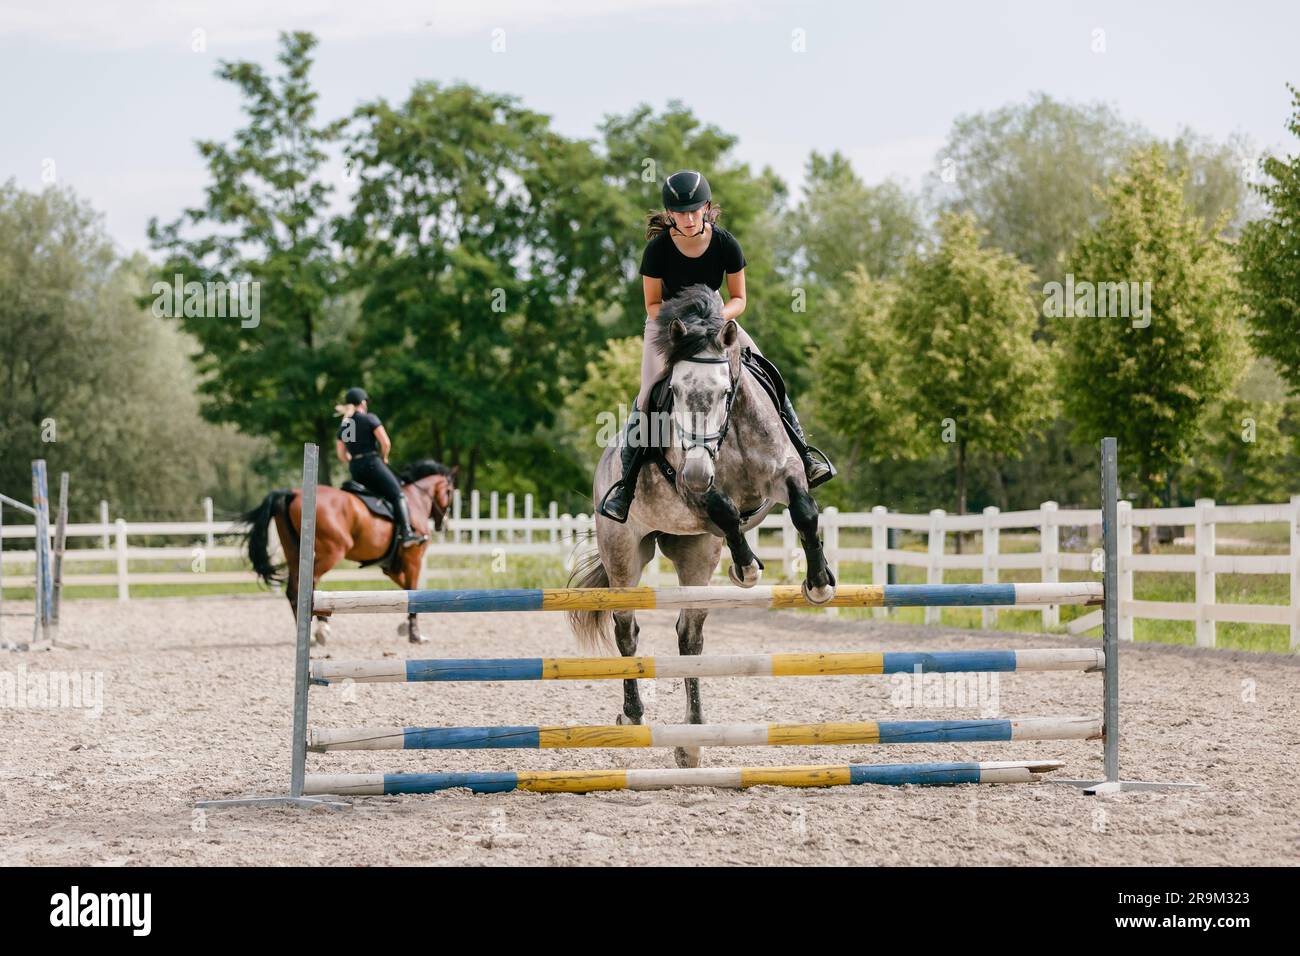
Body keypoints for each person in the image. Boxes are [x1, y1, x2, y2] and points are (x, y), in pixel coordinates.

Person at [597, 169, 835, 523]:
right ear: (670, 215)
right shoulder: (658, 249)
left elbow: (739, 298)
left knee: (767, 372)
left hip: (716, 321)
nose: (689, 219)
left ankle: (805, 454)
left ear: (706, 208)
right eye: (681, 213)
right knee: (648, 395)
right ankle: (626, 488)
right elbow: (651, 305)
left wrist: (715, 319)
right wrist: (687, 327)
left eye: (695, 210)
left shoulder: (725, 243)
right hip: (669, 327)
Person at [334, 387, 426, 547]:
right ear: (362, 402)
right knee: (397, 494)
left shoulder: (345, 424)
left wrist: (353, 460)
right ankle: (406, 533)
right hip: (372, 463)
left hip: (355, 468)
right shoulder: (369, 418)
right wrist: (384, 457)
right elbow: (386, 442)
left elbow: (341, 454)